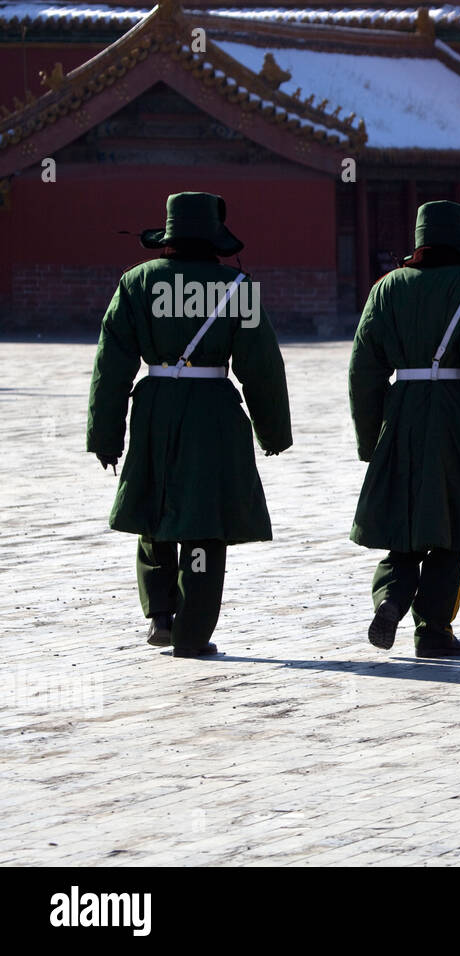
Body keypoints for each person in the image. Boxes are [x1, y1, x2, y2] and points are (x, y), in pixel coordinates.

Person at [86, 191, 292, 658]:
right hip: (212, 410)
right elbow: (262, 366)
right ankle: (193, 633)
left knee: (152, 507)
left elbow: (111, 365)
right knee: (205, 522)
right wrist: (273, 431)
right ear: (214, 237)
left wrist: (105, 436)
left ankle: (160, 614)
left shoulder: (136, 283)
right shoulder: (239, 287)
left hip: (154, 404)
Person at [349, 201, 460, 657]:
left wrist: (371, 436)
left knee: (403, 519)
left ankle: (390, 597)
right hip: (455, 417)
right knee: (455, 524)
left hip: (402, 412)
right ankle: (433, 630)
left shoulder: (386, 288)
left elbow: (363, 369)